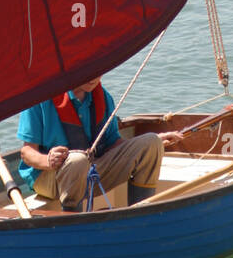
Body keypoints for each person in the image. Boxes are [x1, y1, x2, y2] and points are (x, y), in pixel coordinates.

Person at [18, 76, 180, 211]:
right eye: (88, 70)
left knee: (150, 142)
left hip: (90, 172)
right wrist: (48, 161)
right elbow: (27, 153)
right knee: (77, 161)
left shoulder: (103, 98)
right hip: (50, 178)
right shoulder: (40, 98)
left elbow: (113, 144)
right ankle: (73, 220)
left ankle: (141, 213)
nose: (94, 77)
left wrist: (155, 140)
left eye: (99, 70)